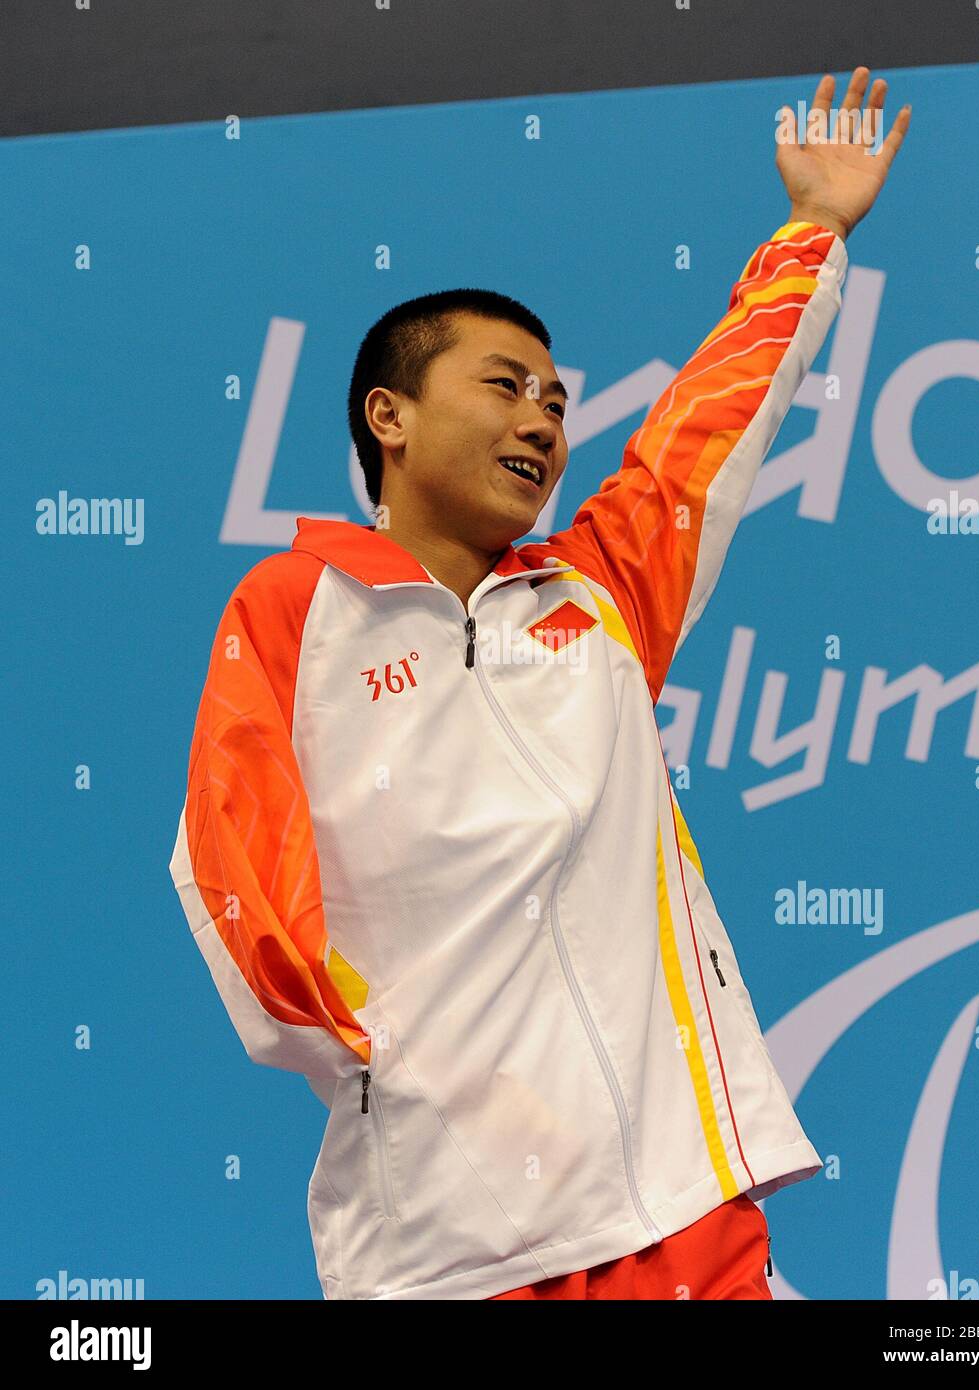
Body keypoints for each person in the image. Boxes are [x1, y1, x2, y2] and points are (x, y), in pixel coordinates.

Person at [168, 68, 909, 1301]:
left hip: (681, 1200)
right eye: (505, 384)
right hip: (447, 1240)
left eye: (557, 399)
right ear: (387, 416)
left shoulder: (602, 588)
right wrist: (376, 1058)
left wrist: (812, 232)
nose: (545, 417)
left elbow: (703, 430)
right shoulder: (292, 612)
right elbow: (228, 858)